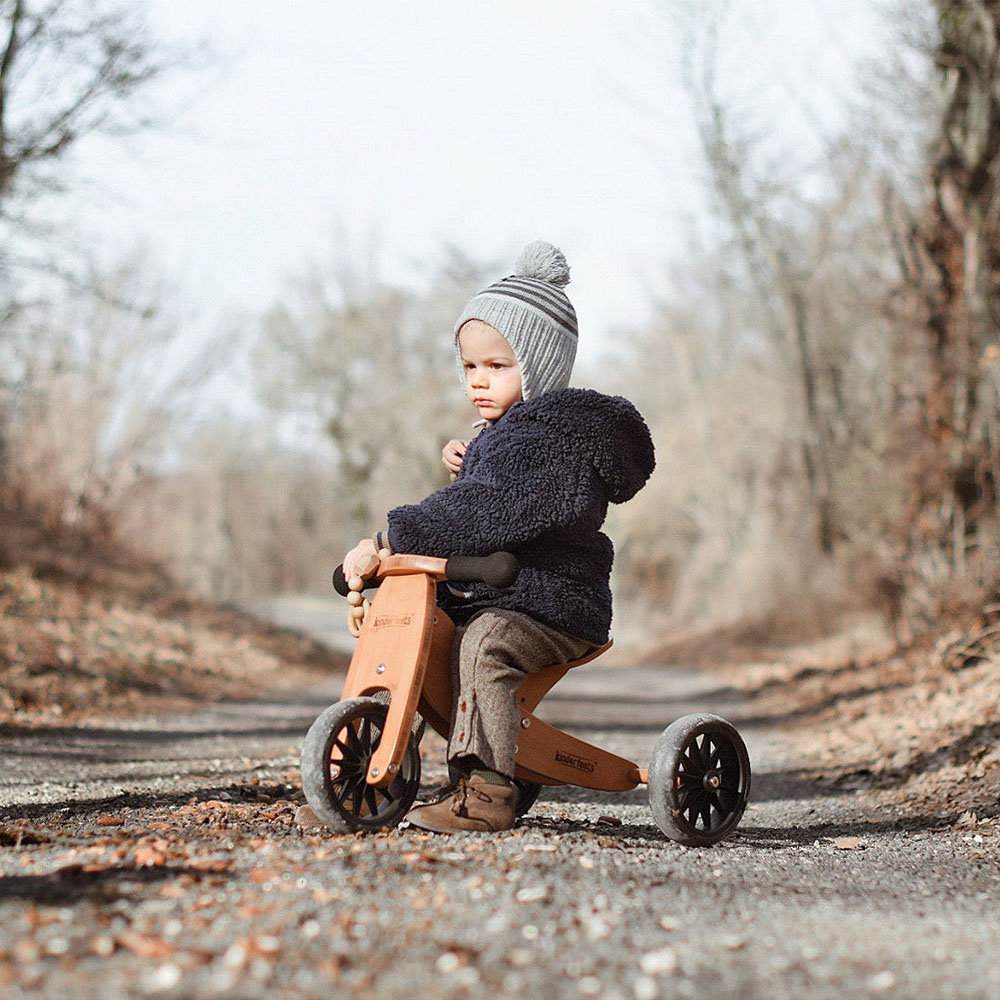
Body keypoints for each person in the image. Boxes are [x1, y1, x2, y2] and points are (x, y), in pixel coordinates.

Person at [341, 240, 655, 833]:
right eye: (469, 367)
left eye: (497, 366)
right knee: (432, 635)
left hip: (554, 598)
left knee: (485, 644)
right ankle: (378, 773)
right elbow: (489, 495)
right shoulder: (511, 435)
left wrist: (390, 538)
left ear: (536, 367)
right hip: (507, 590)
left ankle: (485, 793)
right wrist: (471, 461)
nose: (478, 382)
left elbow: (489, 509)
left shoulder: (553, 441)